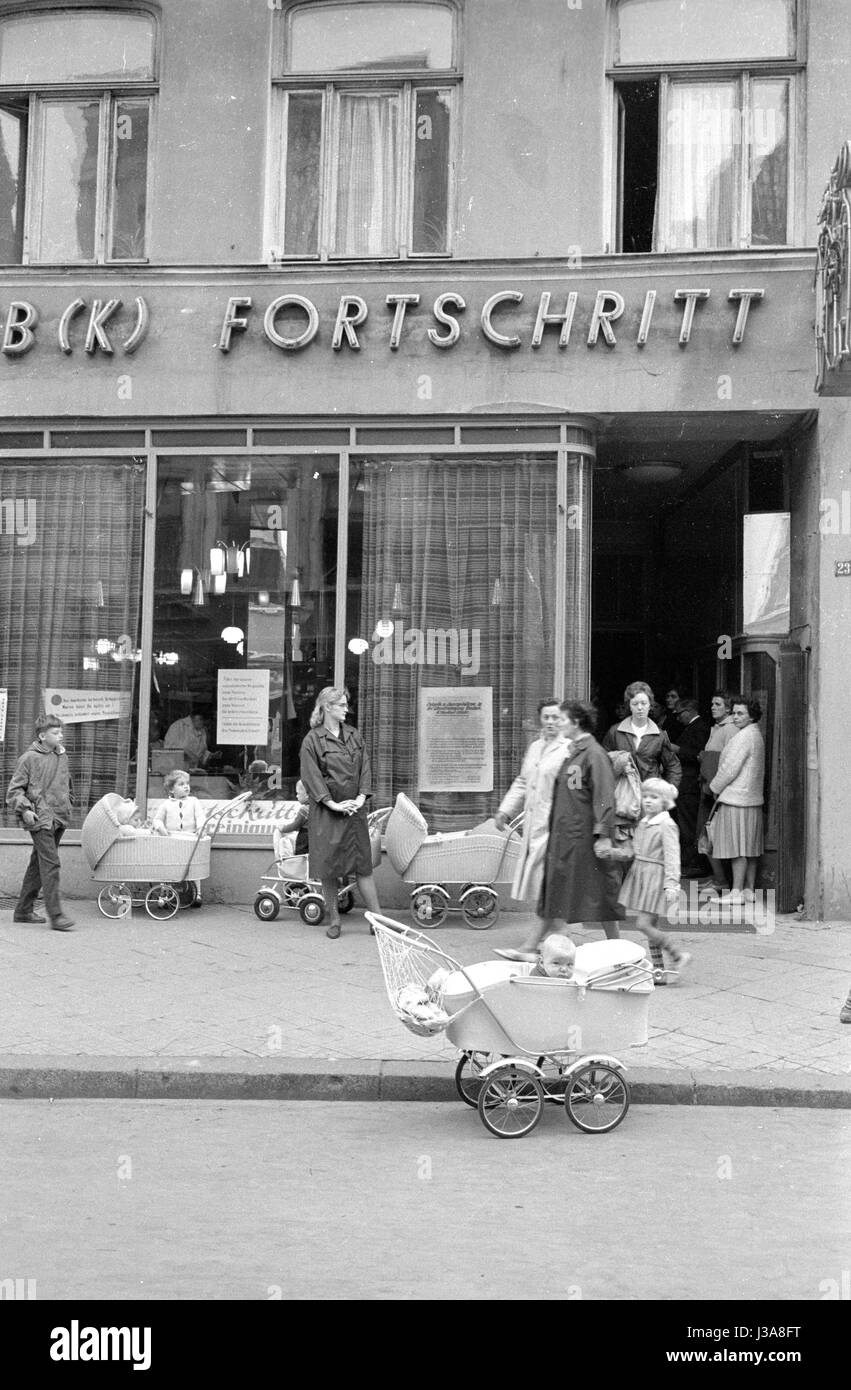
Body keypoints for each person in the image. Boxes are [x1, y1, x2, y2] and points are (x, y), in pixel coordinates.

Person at [537, 698, 625, 948]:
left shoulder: (594, 754)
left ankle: (614, 948)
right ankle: (561, 947)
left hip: (583, 838)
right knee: (567, 892)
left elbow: (604, 795)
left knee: (600, 893)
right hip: (568, 837)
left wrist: (604, 834)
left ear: (576, 722)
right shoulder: (575, 752)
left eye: (562, 719)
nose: (558, 723)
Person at [300, 686, 381, 939]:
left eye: (346, 704)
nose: (347, 709)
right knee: (329, 868)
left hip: (354, 812)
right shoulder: (312, 740)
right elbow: (311, 776)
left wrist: (360, 798)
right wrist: (332, 804)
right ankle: (334, 920)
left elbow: (365, 767)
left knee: (363, 867)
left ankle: (377, 920)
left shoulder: (354, 736)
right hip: (327, 813)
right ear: (327, 707)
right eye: (342, 705)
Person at [494, 697, 570, 953]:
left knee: (547, 885)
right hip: (534, 827)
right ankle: (557, 940)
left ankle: (537, 944)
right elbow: (522, 782)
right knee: (544, 885)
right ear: (540, 718)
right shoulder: (535, 747)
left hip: (555, 828)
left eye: (555, 717)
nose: (550, 722)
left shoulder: (568, 750)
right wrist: (505, 810)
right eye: (546, 717)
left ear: (563, 720)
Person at [617, 778, 691, 984]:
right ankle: (658, 972)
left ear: (665, 802)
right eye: (646, 796)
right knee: (651, 924)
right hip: (641, 873)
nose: (648, 801)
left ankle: (677, 954)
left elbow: (672, 855)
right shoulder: (644, 822)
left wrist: (671, 882)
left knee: (643, 924)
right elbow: (636, 848)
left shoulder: (666, 824)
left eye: (654, 797)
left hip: (654, 876)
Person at [5, 714, 75, 930]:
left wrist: (69, 802)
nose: (61, 736)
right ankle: (56, 916)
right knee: (51, 863)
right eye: (56, 733)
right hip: (40, 817)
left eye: (61, 732)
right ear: (42, 735)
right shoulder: (29, 758)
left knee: (38, 864)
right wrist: (25, 809)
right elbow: (14, 791)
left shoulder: (62, 756)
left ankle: (23, 910)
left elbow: (67, 784)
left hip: (59, 816)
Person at [708, 696, 766, 904]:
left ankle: (736, 892)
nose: (735, 717)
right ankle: (748, 890)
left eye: (740, 713)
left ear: (751, 717)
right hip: (751, 799)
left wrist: (714, 787)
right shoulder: (755, 734)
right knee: (749, 848)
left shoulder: (743, 737)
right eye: (734, 712)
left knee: (737, 848)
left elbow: (729, 769)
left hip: (737, 798)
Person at [696, 691, 738, 894]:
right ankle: (717, 876)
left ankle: (721, 879)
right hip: (709, 787)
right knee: (707, 833)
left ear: (728, 708)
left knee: (710, 834)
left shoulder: (729, 729)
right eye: (712, 703)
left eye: (718, 704)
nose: (713, 707)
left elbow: (725, 761)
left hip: (715, 790)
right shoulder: (718, 728)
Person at [602, 681, 682, 787]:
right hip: (624, 795)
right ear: (629, 706)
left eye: (644, 703)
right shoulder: (615, 732)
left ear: (650, 705)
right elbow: (602, 763)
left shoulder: (659, 735)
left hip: (650, 795)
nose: (640, 708)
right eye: (635, 703)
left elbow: (672, 765)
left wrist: (670, 790)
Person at [151, 769, 206, 906]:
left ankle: (197, 894)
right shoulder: (166, 805)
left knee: (194, 866)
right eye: (181, 784)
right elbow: (156, 820)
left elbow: (200, 816)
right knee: (168, 866)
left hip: (190, 838)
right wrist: (161, 828)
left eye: (187, 783)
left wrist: (200, 828)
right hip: (172, 839)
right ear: (171, 789)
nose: (186, 786)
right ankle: (164, 892)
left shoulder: (194, 802)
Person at [674, 697, 710, 878]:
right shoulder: (691, 728)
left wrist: (677, 750)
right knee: (686, 824)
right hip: (686, 785)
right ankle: (689, 863)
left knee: (689, 825)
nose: (677, 718)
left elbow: (699, 755)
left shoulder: (700, 728)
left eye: (679, 714)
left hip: (690, 785)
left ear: (688, 711)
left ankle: (694, 864)